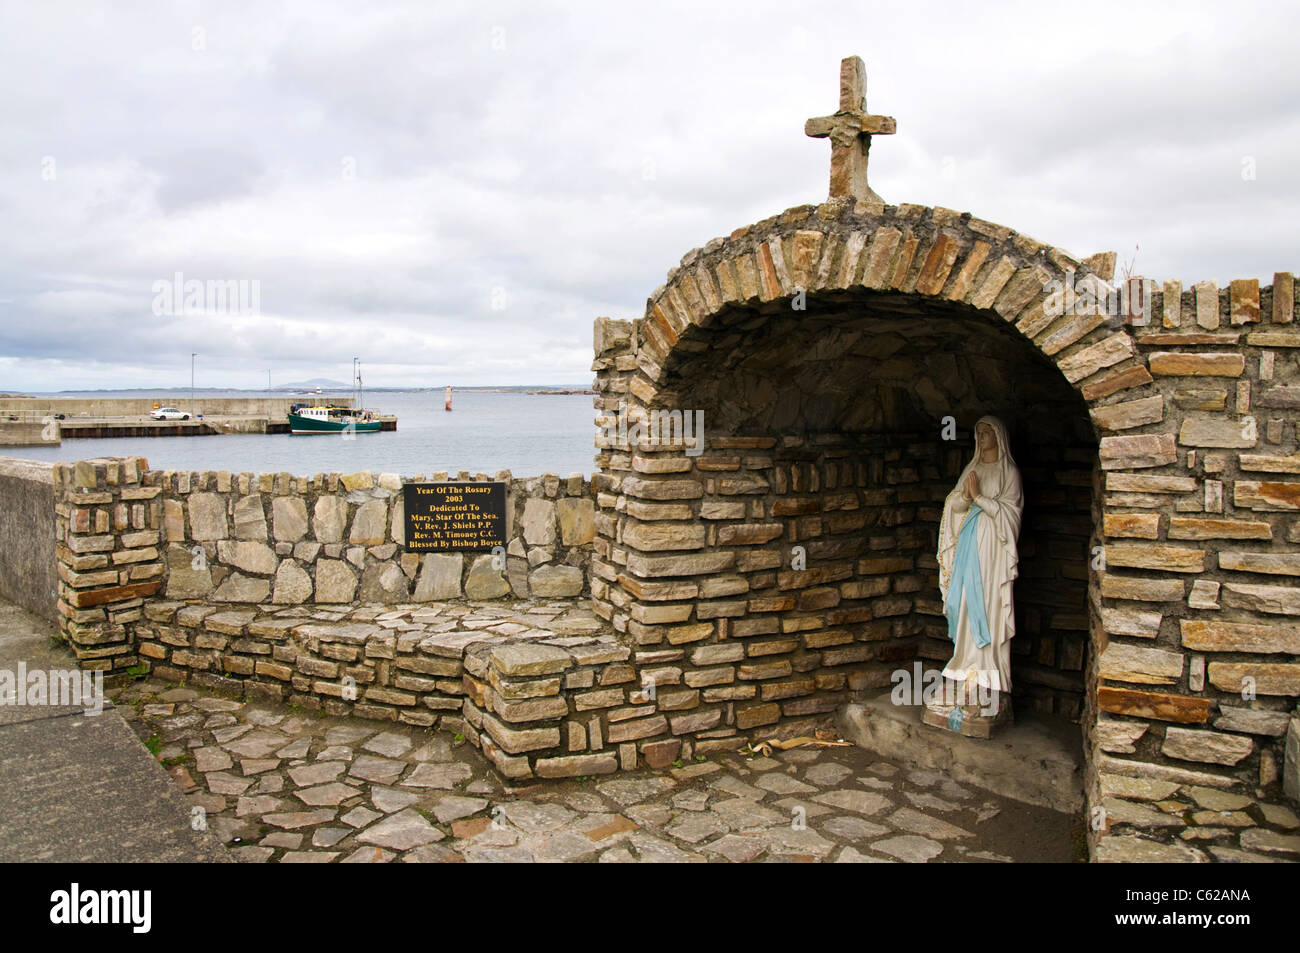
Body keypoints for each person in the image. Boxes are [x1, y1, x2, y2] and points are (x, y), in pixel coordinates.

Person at [935, 415, 1023, 703]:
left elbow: (1011, 514)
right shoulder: (972, 468)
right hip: (969, 545)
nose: (982, 437)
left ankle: (988, 670)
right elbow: (955, 504)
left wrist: (980, 498)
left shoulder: (1008, 471)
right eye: (979, 432)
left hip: (993, 552)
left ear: (998, 436)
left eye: (987, 432)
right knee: (964, 600)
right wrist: (965, 496)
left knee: (988, 602)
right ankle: (963, 663)